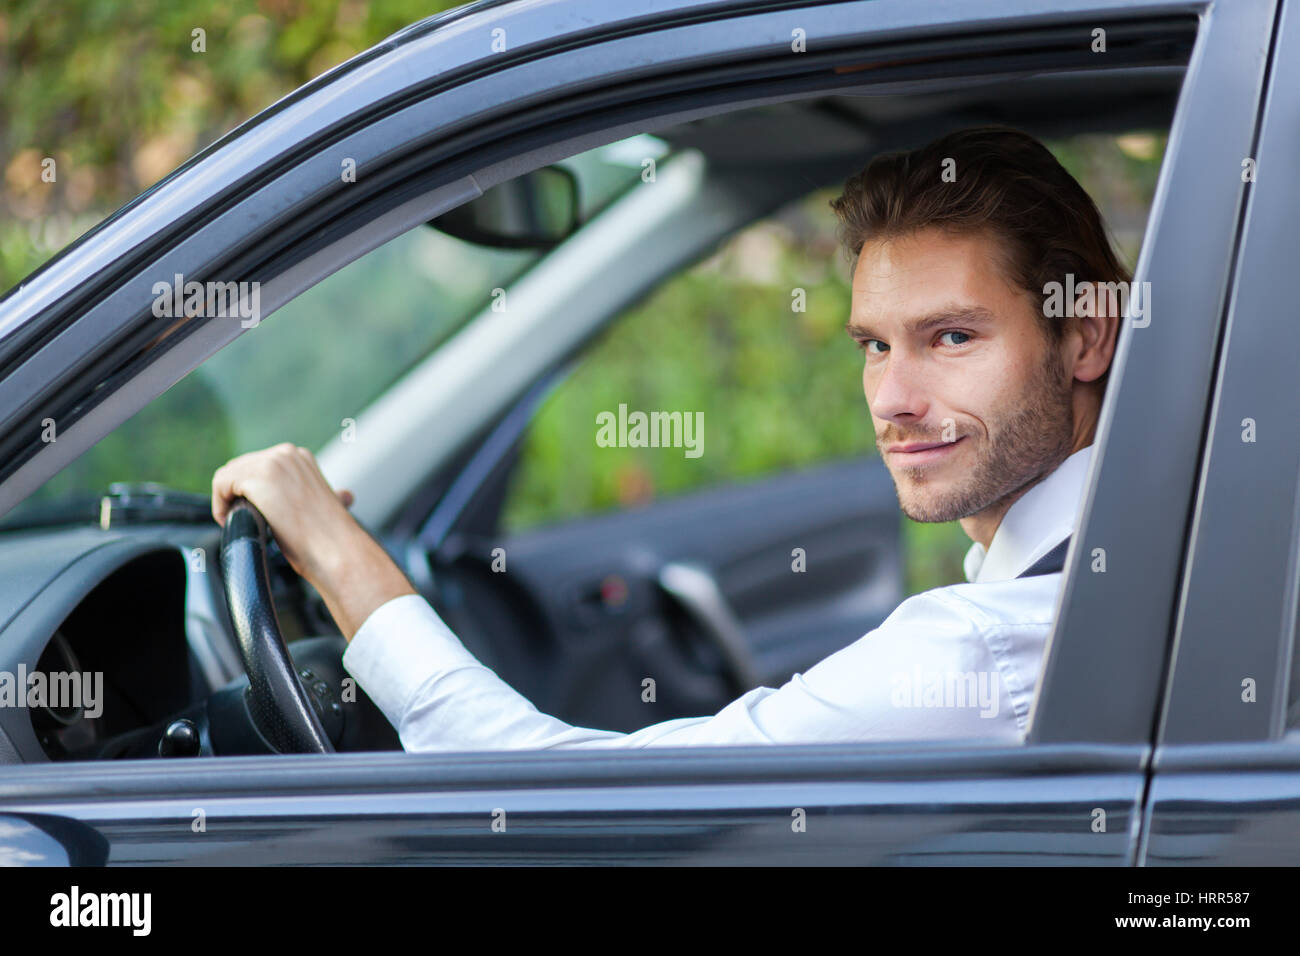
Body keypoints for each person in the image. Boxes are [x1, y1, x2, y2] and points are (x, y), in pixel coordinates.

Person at [210, 127, 1124, 750]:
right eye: (874, 346)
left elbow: (555, 802)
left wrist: (330, 547)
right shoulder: (1101, 569)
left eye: (952, 337)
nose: (892, 397)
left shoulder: (986, 648)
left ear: (1085, 335)